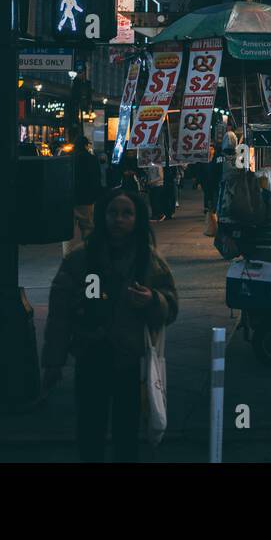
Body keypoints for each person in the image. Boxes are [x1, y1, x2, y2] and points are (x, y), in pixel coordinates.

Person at [42, 188, 179, 462]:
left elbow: (170, 305)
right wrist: (53, 361)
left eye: (127, 213)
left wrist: (153, 300)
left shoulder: (149, 261)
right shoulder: (79, 259)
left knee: (126, 432)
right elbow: (60, 314)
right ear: (102, 216)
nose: (119, 219)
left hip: (129, 360)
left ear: (137, 218)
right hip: (91, 355)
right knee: (90, 430)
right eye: (113, 212)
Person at [70, 135, 102, 257]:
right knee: (87, 225)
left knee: (69, 229)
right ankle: (89, 251)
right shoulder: (91, 159)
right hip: (86, 197)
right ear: (85, 145)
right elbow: (96, 177)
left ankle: (69, 254)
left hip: (70, 197)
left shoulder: (69, 158)